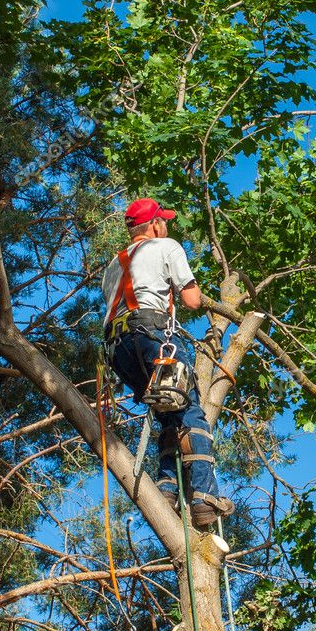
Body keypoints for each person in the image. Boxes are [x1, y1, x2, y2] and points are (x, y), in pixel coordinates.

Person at [102, 197, 234, 528]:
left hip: (118, 349)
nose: (167, 227)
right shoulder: (166, 246)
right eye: (164, 222)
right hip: (155, 336)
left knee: (169, 415)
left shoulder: (113, 265)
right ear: (156, 225)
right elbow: (190, 300)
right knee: (191, 413)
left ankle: (167, 489)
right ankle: (204, 496)